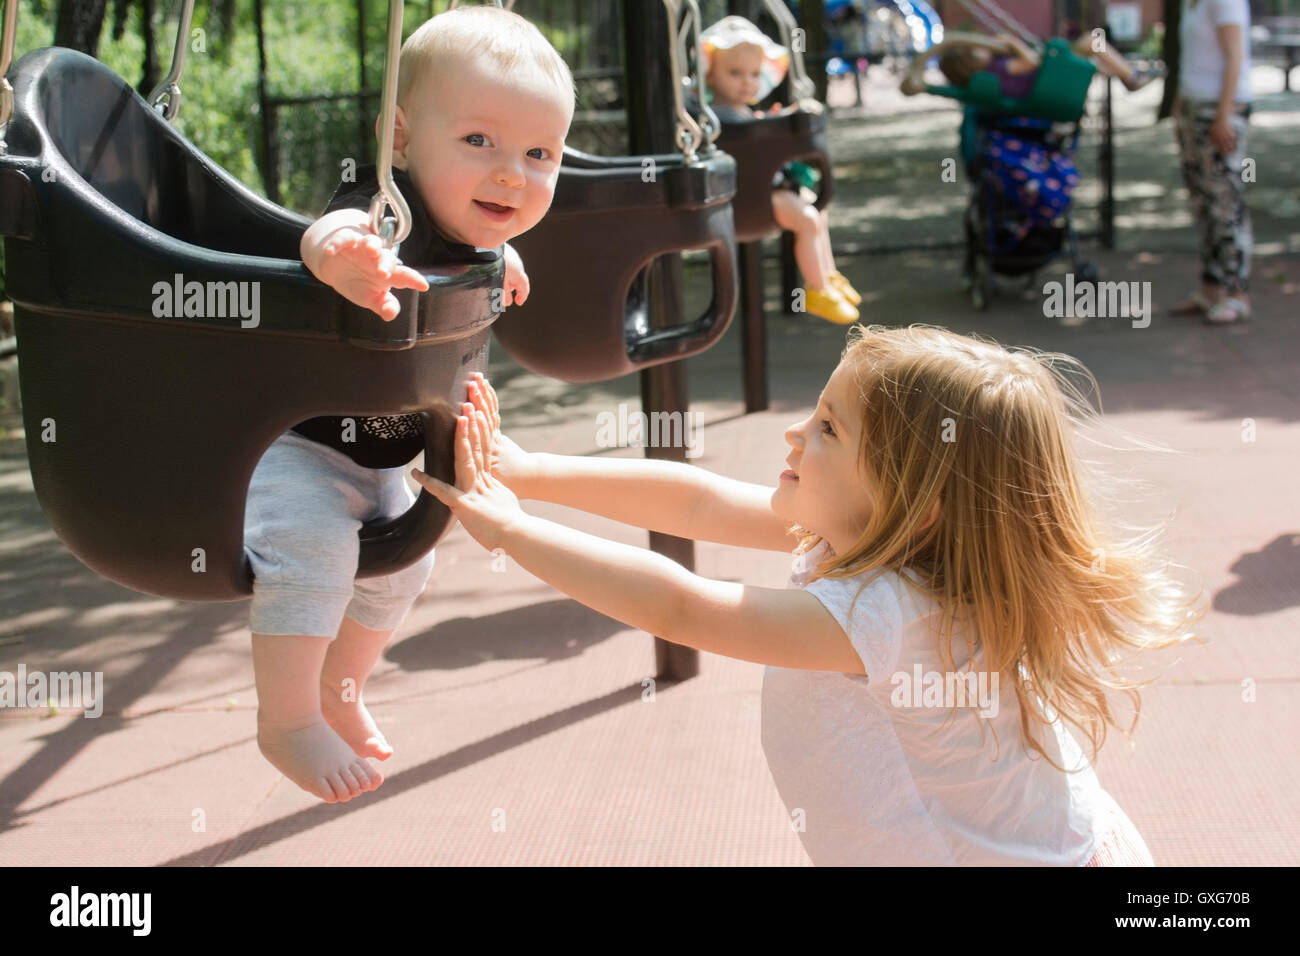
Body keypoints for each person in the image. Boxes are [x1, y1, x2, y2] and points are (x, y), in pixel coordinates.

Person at [415, 326, 1208, 865]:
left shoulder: (887, 613)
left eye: (830, 428)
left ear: (913, 501)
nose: (796, 436)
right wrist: (527, 470)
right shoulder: (872, 536)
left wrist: (513, 533)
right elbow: (695, 504)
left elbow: (682, 608)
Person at [246, 5, 574, 804]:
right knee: (313, 552)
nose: (510, 175)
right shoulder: (384, 206)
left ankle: (340, 690)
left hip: (389, 449)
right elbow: (323, 233)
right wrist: (344, 255)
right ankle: (285, 718)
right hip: (297, 445)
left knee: (404, 570)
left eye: (539, 154)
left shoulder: (476, 228)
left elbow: (481, 230)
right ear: (400, 140)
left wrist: (506, 247)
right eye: (478, 142)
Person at [701, 15, 863, 325]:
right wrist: (773, 124)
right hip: (748, 199)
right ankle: (816, 290)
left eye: (752, 74)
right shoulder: (715, 115)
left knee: (819, 209)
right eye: (735, 73)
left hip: (765, 190)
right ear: (709, 72)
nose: (746, 81)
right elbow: (746, 133)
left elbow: (755, 127)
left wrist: (774, 119)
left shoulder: (741, 110)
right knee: (807, 218)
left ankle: (828, 275)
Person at [1170, 0, 1253, 324]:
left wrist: (1223, 115)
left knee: (1225, 202)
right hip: (1194, 109)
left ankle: (1237, 294)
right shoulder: (1191, 3)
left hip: (1219, 113)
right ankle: (1211, 289)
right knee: (1202, 203)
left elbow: (1235, 56)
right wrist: (1180, 103)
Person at [905, 29, 1161, 98]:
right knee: (1091, 40)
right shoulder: (995, 71)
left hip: (1047, 79)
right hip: (1047, 80)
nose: (984, 50)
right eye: (977, 51)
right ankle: (1130, 76)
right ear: (968, 63)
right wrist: (1013, 43)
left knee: (1090, 53)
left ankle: (1122, 74)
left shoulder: (989, 74)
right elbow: (1031, 62)